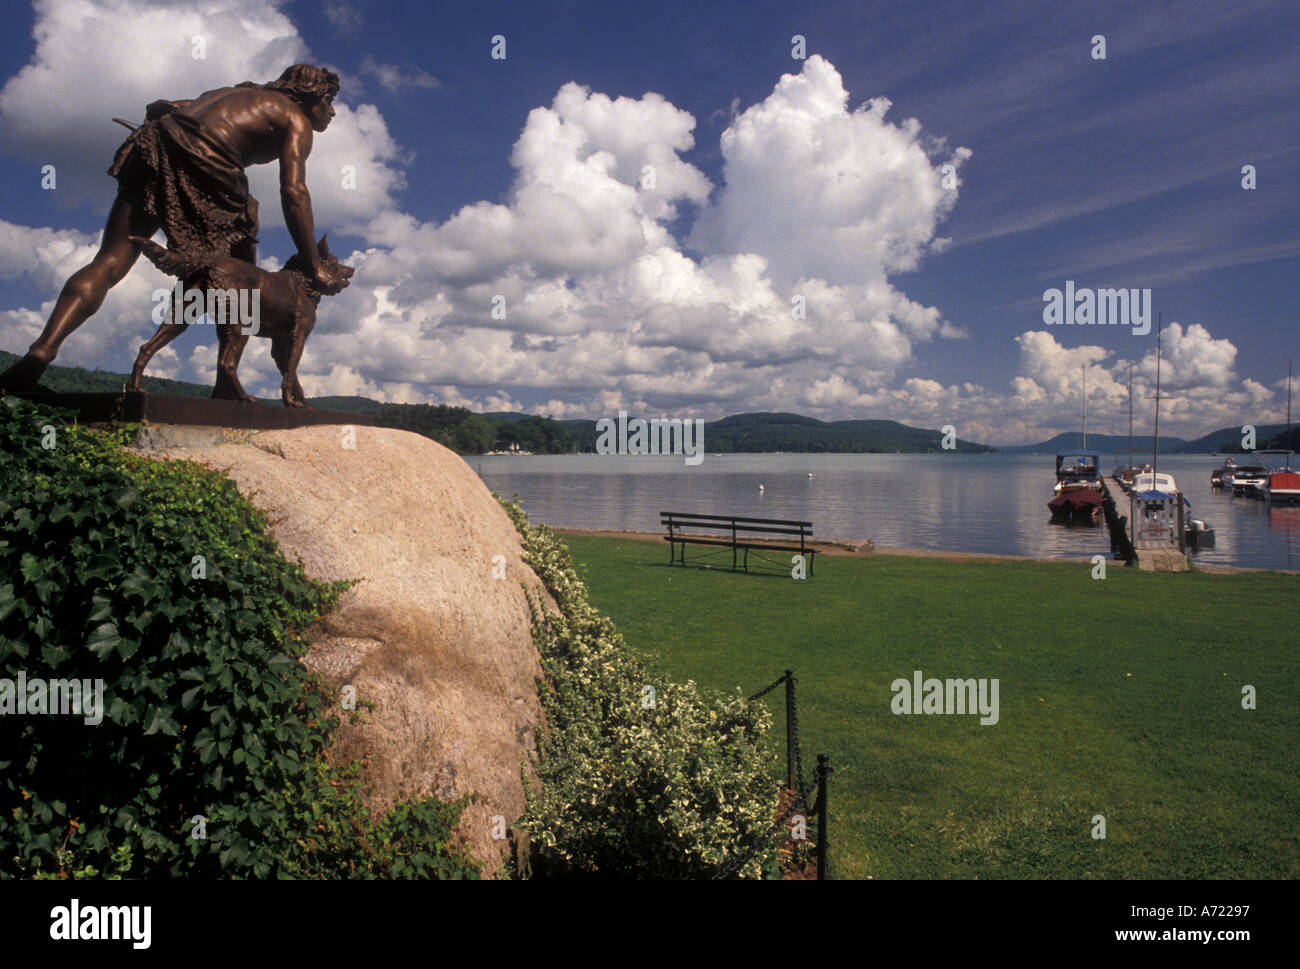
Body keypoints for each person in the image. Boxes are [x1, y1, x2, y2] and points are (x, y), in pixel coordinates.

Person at [0, 64, 350, 392]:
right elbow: (294, 193)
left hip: (154, 144)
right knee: (243, 263)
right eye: (329, 101)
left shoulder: (236, 92)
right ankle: (226, 374)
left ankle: (44, 347)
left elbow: (165, 107)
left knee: (110, 261)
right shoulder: (295, 118)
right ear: (311, 96)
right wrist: (314, 264)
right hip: (206, 161)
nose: (332, 112)